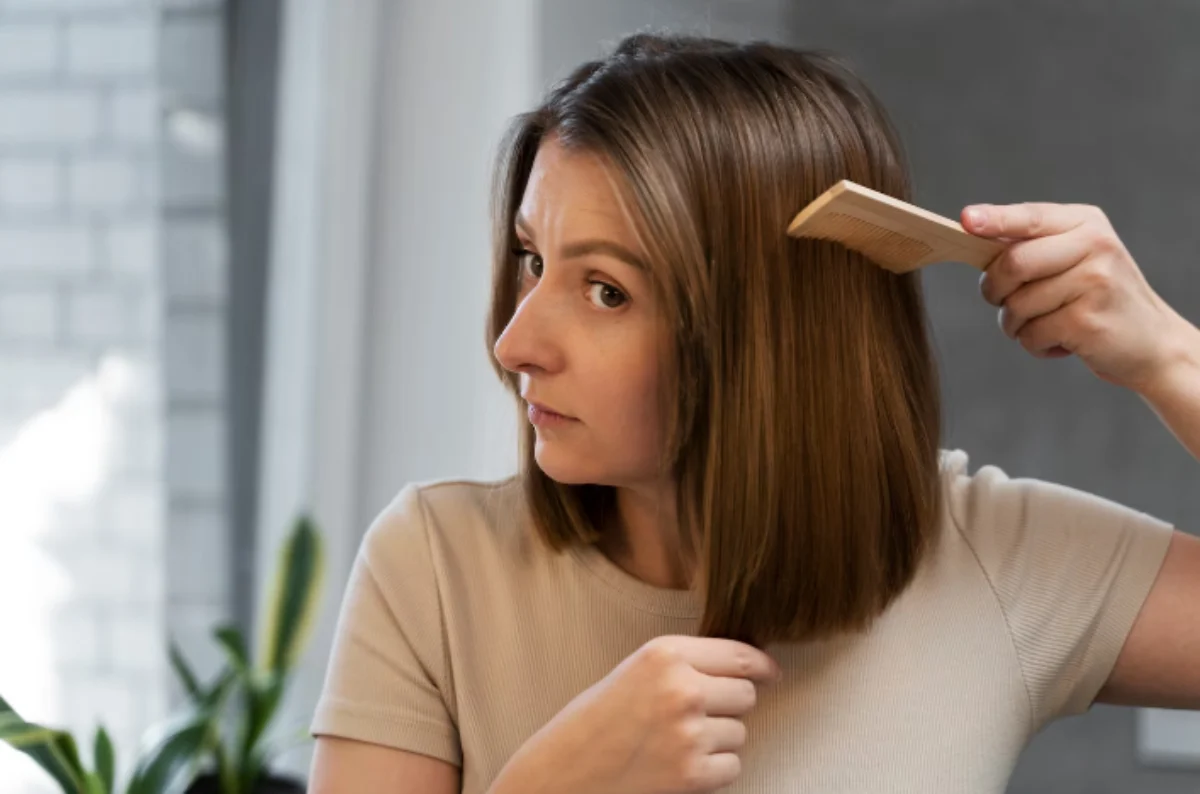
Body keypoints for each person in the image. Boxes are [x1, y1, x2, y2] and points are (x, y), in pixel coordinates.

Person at [306, 33, 1200, 794]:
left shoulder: (994, 559)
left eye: (607, 290)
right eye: (534, 261)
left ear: (772, 335)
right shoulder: (431, 568)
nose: (515, 342)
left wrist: (1170, 355)